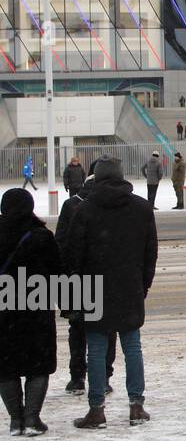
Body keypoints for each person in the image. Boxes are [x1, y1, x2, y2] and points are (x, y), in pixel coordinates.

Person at [63, 156, 157, 429]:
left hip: (94, 289)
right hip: (130, 287)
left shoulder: (85, 210)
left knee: (96, 350)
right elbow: (150, 252)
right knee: (133, 347)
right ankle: (136, 405)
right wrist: (143, 284)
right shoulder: (141, 208)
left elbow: (74, 256)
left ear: (97, 178)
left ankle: (96, 409)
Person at [0, 189, 62, 435]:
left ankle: (16, 420)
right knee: (38, 365)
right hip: (36, 310)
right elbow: (58, 274)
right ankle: (33, 419)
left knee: (6, 366)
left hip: (3, 313)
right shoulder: (42, 236)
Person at [54, 168, 114, 395]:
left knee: (77, 330)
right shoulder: (109, 205)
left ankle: (77, 377)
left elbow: (60, 242)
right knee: (107, 331)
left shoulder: (71, 205)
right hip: (105, 279)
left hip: (76, 279)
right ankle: (104, 377)